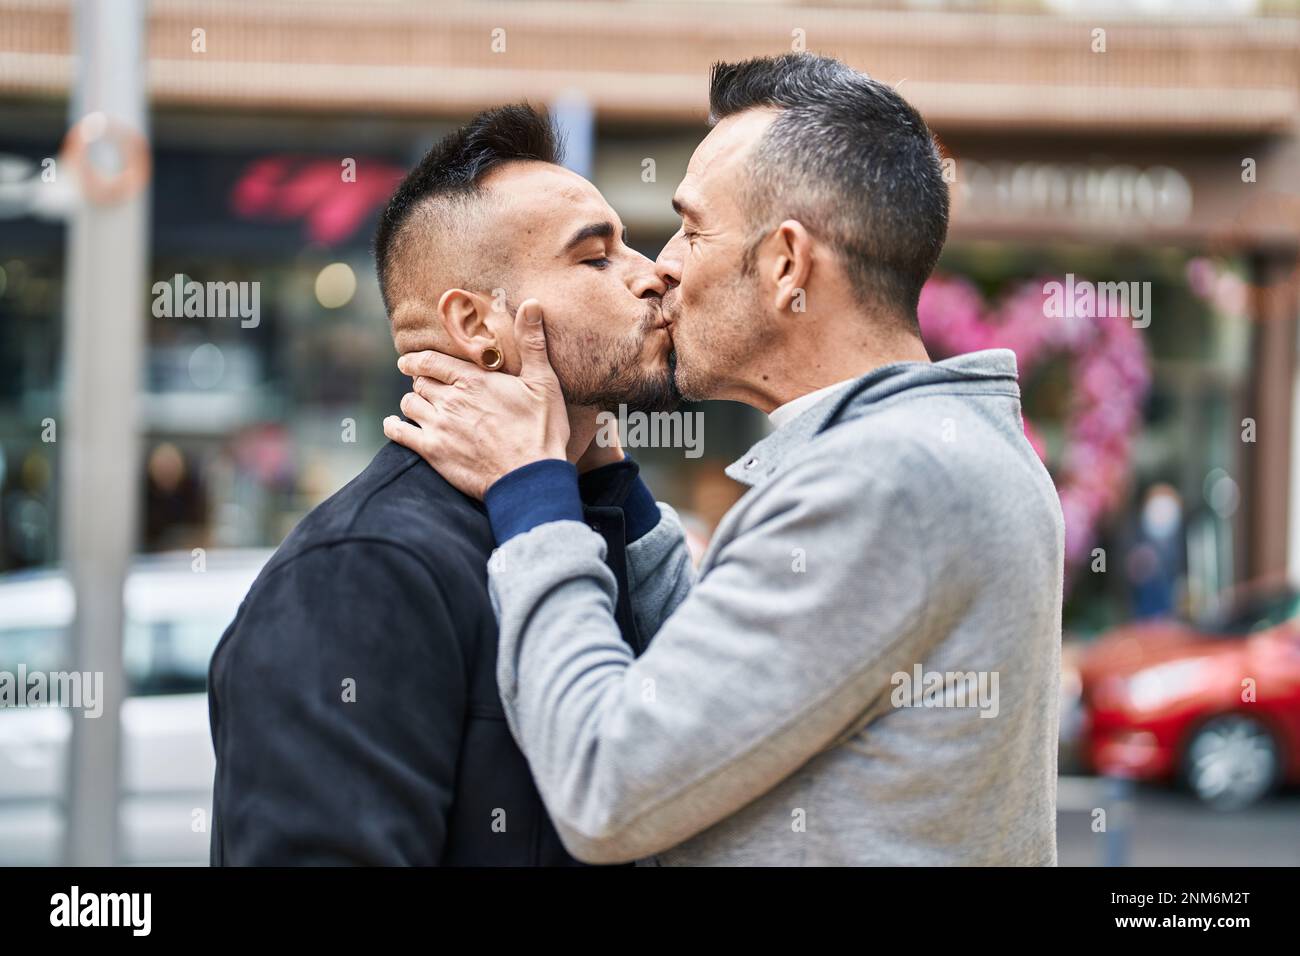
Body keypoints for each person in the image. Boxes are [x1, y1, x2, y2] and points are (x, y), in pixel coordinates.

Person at [386, 54, 1066, 865]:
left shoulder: (884, 483)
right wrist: (609, 480)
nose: (663, 263)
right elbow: (730, 698)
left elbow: (607, 787)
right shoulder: (945, 448)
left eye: (691, 226)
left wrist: (532, 496)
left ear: (787, 265)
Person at [207, 104, 675, 865]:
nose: (652, 274)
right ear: (476, 324)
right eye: (596, 259)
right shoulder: (362, 570)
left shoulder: (579, 522)